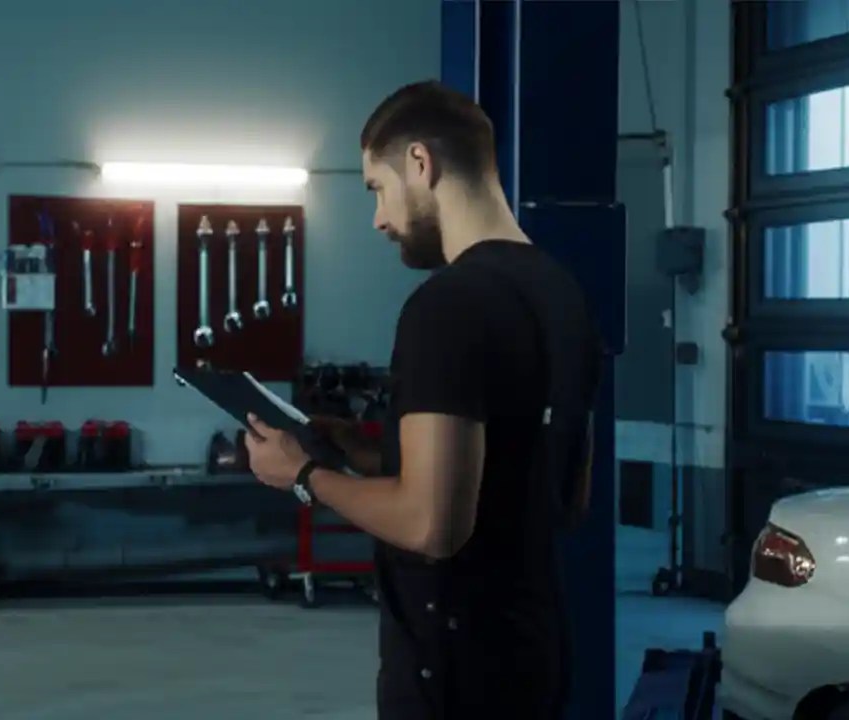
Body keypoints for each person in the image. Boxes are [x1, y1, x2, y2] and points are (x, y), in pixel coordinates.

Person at [244, 80, 604, 719]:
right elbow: (564, 494)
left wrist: (304, 475)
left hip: (454, 681)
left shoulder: (447, 306)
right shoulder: (565, 296)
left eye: (377, 190)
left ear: (420, 163)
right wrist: (375, 451)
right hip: (535, 661)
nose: (379, 218)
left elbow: (432, 525)